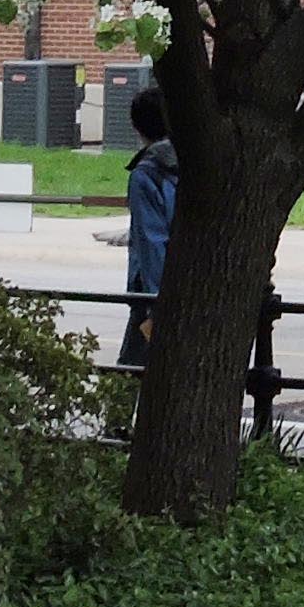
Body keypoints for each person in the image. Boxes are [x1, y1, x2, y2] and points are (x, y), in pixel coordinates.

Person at [118, 83, 179, 383]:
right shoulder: (191, 163)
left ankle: (115, 429)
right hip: (189, 279)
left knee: (131, 365)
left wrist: (155, 301)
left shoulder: (147, 174)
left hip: (153, 290)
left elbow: (151, 240)